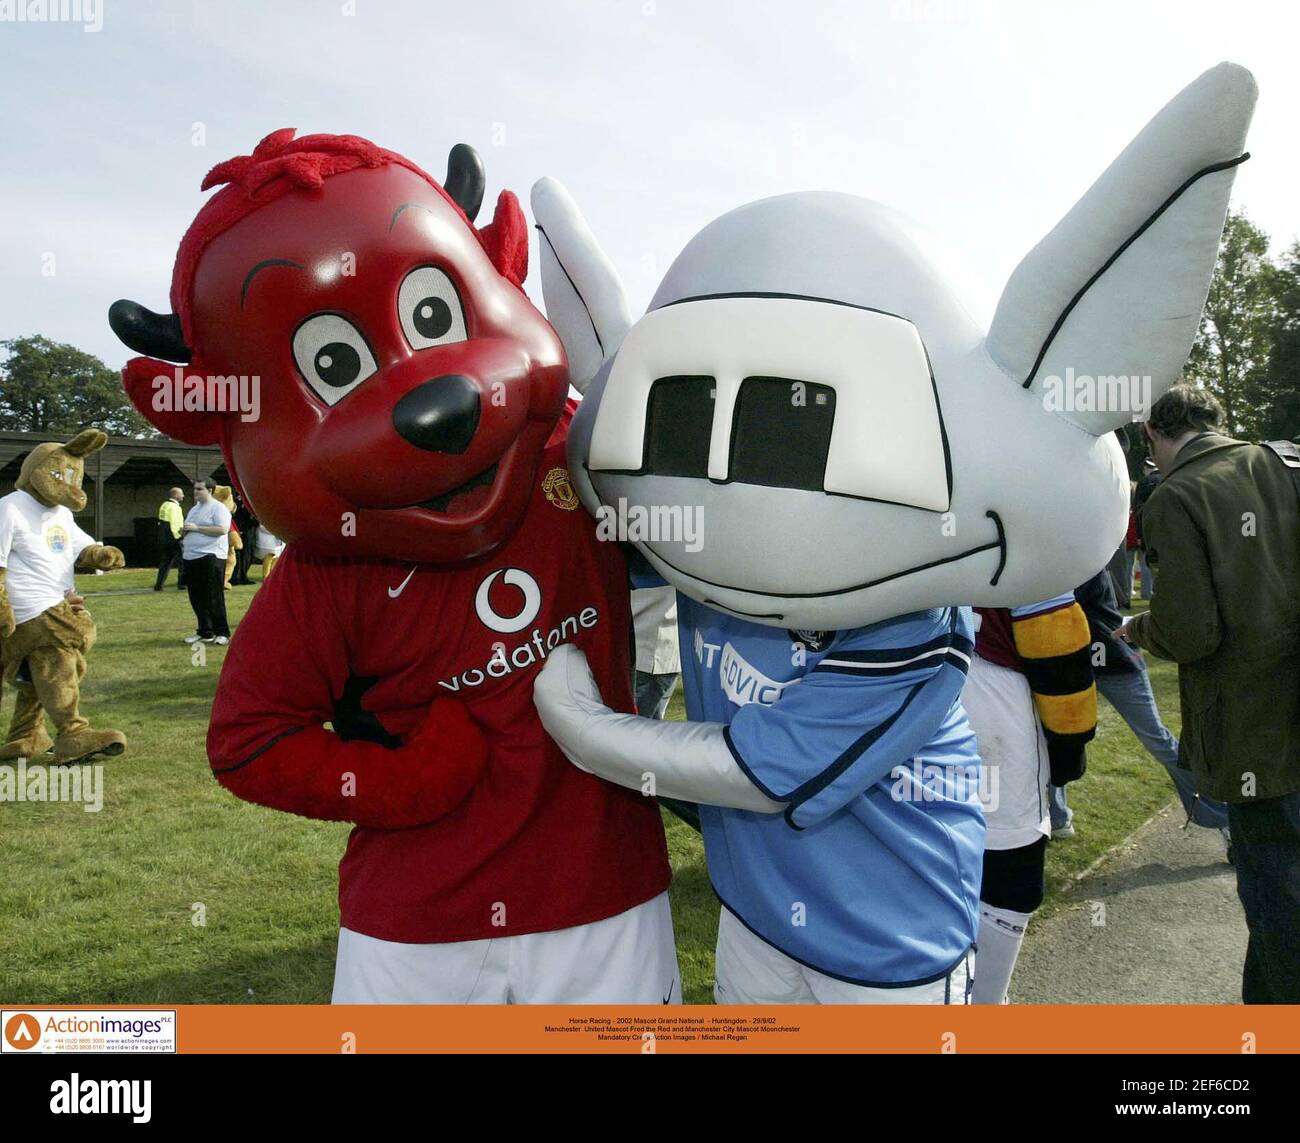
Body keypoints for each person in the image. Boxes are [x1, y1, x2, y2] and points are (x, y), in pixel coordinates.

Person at [1122, 384, 1300, 1003]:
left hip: (1254, 730)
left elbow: (1191, 631)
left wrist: (1139, 628)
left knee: (1276, 901)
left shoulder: (1175, 496)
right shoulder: (1280, 461)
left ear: (1154, 435)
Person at [966, 596, 1096, 1004]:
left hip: (906, 709)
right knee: (1006, 874)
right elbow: (1060, 655)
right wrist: (1067, 753)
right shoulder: (1025, 541)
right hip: (998, 714)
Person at [1056, 568, 1230, 848]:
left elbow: (1060, 604)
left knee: (1158, 741)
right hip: (1072, 664)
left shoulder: (1087, 563)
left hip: (1117, 664)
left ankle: (1224, 819)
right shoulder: (1058, 561)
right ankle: (1057, 818)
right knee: (1056, 738)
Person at [181, 479, 231, 646]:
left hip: (211, 556)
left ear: (210, 490)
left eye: (199, 489)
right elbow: (189, 527)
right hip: (191, 557)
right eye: (195, 489)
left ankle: (222, 631)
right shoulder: (194, 509)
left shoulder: (218, 508)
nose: (195, 492)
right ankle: (205, 631)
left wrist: (197, 528)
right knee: (196, 596)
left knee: (213, 596)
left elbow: (223, 530)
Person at [154, 486, 185, 591]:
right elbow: (175, 523)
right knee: (182, 562)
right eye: (181, 494)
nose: (183, 496)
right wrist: (180, 536)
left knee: (165, 563)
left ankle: (159, 585)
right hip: (174, 537)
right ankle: (182, 584)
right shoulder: (174, 507)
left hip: (164, 537)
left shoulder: (164, 505)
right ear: (176, 495)